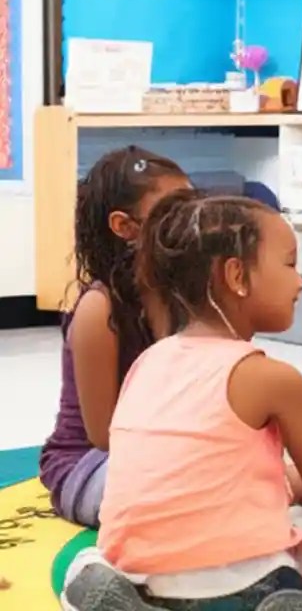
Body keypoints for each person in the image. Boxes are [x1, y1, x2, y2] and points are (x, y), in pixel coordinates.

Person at [61, 192, 302, 611]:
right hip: (250, 586)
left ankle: (120, 594)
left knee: (91, 559)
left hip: (142, 575)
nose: (300, 282)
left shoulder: (146, 364)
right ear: (236, 275)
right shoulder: (272, 378)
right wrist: (291, 484)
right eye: (289, 264)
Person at [38, 147, 190, 528]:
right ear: (124, 226)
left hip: (165, 451)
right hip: (91, 463)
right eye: (174, 211)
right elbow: (104, 436)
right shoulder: (100, 309)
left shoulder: (186, 297)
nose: (192, 222)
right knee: (195, 486)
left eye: (193, 205)